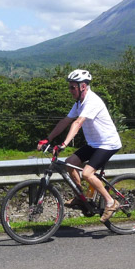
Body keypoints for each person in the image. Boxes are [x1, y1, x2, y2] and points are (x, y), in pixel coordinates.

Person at [38, 69, 123, 222]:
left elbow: (77, 123)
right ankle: (81, 196)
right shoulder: (79, 103)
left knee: (87, 173)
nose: (70, 90)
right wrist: (47, 139)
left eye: (72, 87)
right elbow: (66, 121)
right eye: (69, 87)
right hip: (94, 144)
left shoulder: (92, 101)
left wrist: (64, 143)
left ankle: (111, 202)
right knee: (69, 163)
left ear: (83, 86)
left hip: (108, 143)